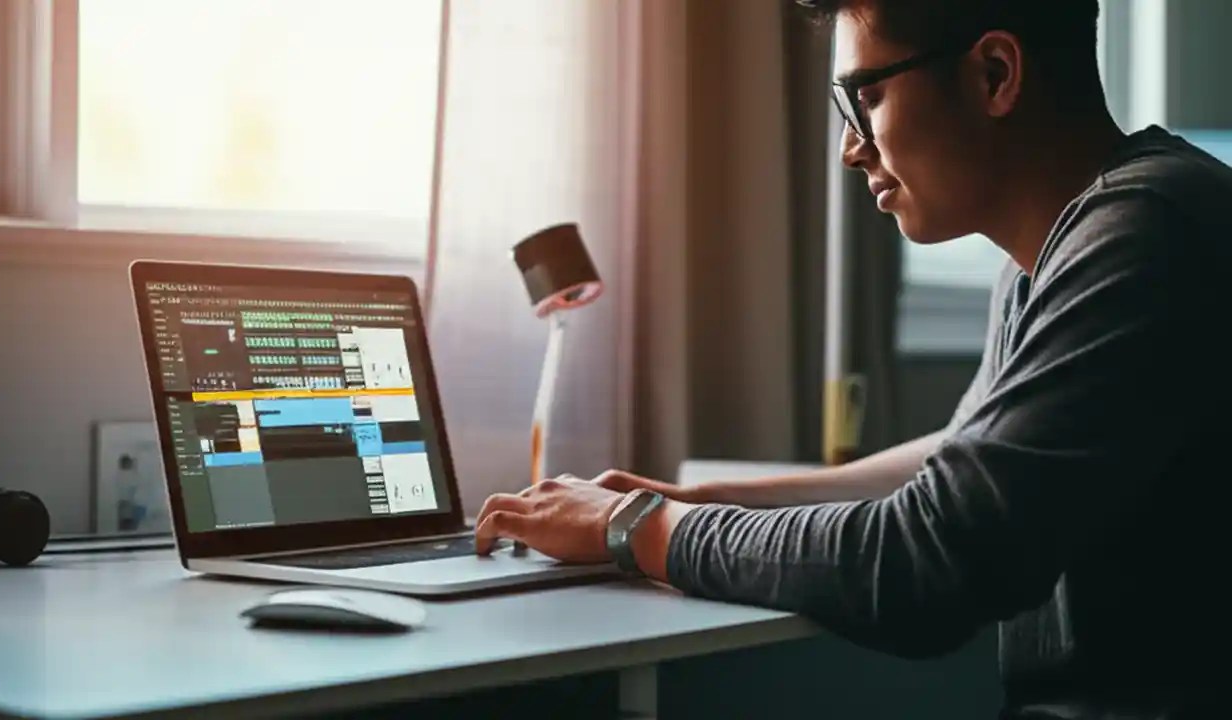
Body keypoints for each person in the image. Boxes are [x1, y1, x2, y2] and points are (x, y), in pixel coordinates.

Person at [474, 0, 1232, 716]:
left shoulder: (1148, 236)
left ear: (995, 74)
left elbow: (927, 560)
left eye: (862, 98)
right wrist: (690, 504)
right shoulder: (1052, 256)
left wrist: (641, 530)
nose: (848, 147)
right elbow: (958, 465)